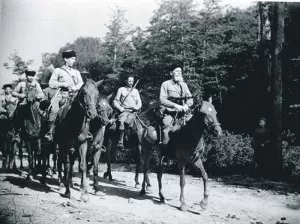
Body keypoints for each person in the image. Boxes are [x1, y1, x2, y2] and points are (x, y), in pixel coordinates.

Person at [44, 50, 84, 141]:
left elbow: (81, 83)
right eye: (72, 59)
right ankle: (50, 132)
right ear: (66, 59)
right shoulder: (58, 71)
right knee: (53, 110)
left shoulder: (76, 72)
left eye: (75, 59)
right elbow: (51, 83)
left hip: (74, 96)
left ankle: (85, 131)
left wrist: (75, 87)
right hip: (61, 95)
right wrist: (62, 84)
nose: (74, 61)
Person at [159, 64, 193, 146]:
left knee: (196, 124)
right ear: (171, 73)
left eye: (180, 72)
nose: (179, 73)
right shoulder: (165, 84)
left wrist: (186, 105)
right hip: (170, 113)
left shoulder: (184, 85)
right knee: (166, 129)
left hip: (184, 113)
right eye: (177, 71)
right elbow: (162, 99)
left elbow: (190, 98)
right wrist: (175, 106)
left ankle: (197, 150)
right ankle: (165, 154)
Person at [12, 69, 45, 142]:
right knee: (18, 115)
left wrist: (36, 96)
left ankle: (44, 131)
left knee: (43, 115)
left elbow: (42, 94)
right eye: (29, 75)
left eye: (32, 76)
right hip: (23, 104)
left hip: (34, 104)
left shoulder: (36, 84)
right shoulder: (21, 84)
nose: (31, 77)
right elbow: (13, 93)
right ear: (26, 76)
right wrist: (20, 95)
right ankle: (17, 133)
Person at [113, 75, 142, 149]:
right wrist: (120, 108)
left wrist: (137, 107)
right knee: (122, 121)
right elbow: (115, 101)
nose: (131, 83)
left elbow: (139, 102)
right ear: (126, 81)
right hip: (124, 111)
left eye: (132, 81)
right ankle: (121, 141)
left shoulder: (136, 91)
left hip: (134, 112)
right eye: (129, 81)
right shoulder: (121, 89)